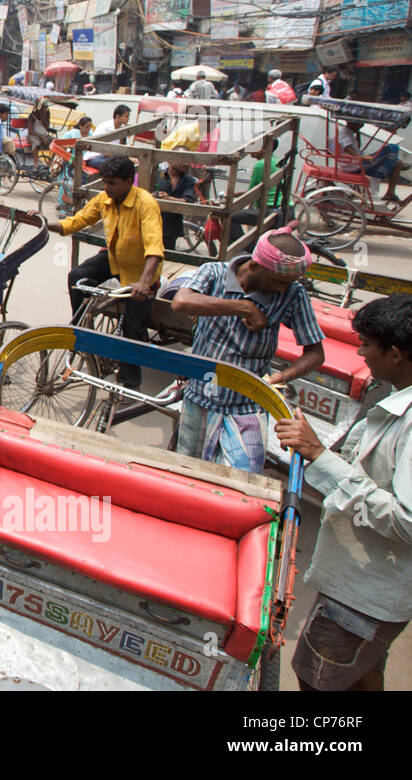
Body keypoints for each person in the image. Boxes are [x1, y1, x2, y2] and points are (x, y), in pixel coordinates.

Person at [274, 296, 412, 691]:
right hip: (370, 589)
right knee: (363, 671)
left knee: (316, 679)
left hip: (365, 595)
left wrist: (318, 454)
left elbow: (407, 520)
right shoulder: (395, 396)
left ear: (397, 354)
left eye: (367, 344)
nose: (360, 353)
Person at [170, 226, 325, 474]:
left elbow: (316, 353)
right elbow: (181, 301)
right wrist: (244, 308)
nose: (281, 290)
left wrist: (283, 376)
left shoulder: (293, 294)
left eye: (287, 284)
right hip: (199, 396)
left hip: (247, 404)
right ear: (254, 267)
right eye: (278, 282)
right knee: (187, 474)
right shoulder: (215, 273)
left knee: (242, 480)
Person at [47, 155, 164, 389]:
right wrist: (44, 223)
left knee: (134, 327)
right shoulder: (104, 199)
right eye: (104, 182)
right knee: (76, 277)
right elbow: (76, 221)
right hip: (114, 259)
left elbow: (154, 246)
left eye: (112, 183)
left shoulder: (145, 203)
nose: (106, 188)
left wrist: (143, 282)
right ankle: (83, 334)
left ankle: (129, 384)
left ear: (129, 181)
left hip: (141, 271)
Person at [153, 158, 199, 250]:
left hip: (172, 227)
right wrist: (154, 196)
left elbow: (188, 200)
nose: (186, 163)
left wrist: (169, 198)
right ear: (169, 160)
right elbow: (144, 193)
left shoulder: (188, 180)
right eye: (182, 159)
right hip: (153, 223)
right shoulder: (156, 176)